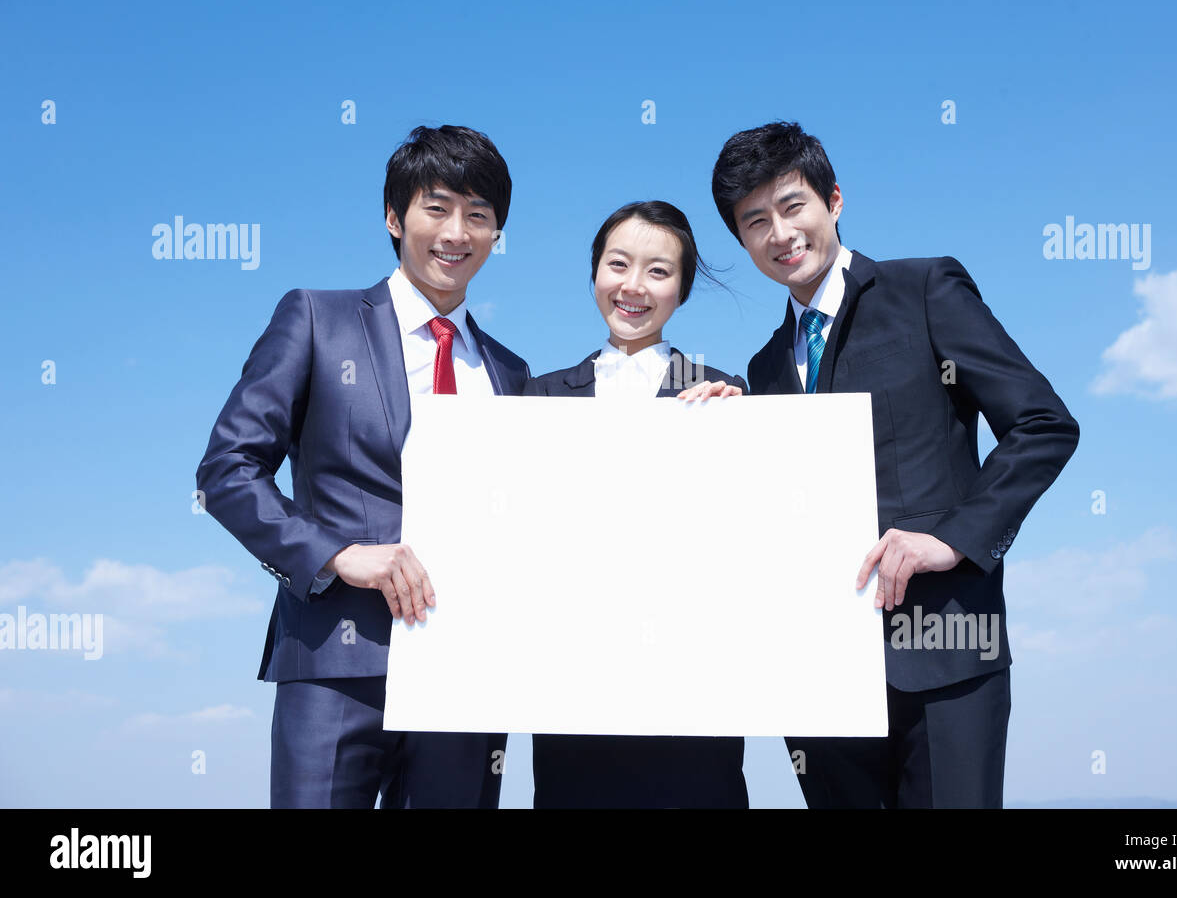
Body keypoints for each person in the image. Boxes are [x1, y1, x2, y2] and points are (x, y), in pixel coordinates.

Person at [710, 121, 1080, 808]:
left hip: (944, 649)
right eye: (754, 221)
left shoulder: (924, 290)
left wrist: (954, 537)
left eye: (792, 206)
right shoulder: (764, 366)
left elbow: (1043, 424)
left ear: (834, 201)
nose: (779, 233)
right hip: (821, 674)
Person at [196, 125, 530, 808]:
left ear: (498, 234)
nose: (456, 232)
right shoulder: (318, 319)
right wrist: (337, 554)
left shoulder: (510, 371)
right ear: (393, 216)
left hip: (467, 678)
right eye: (436, 208)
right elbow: (227, 468)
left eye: (479, 216)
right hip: (334, 664)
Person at [525, 200, 749, 808]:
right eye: (617, 264)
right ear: (594, 272)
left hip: (693, 689)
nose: (633, 287)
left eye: (658, 271)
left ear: (682, 288)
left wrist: (742, 431)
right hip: (575, 689)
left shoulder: (722, 392)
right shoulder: (537, 398)